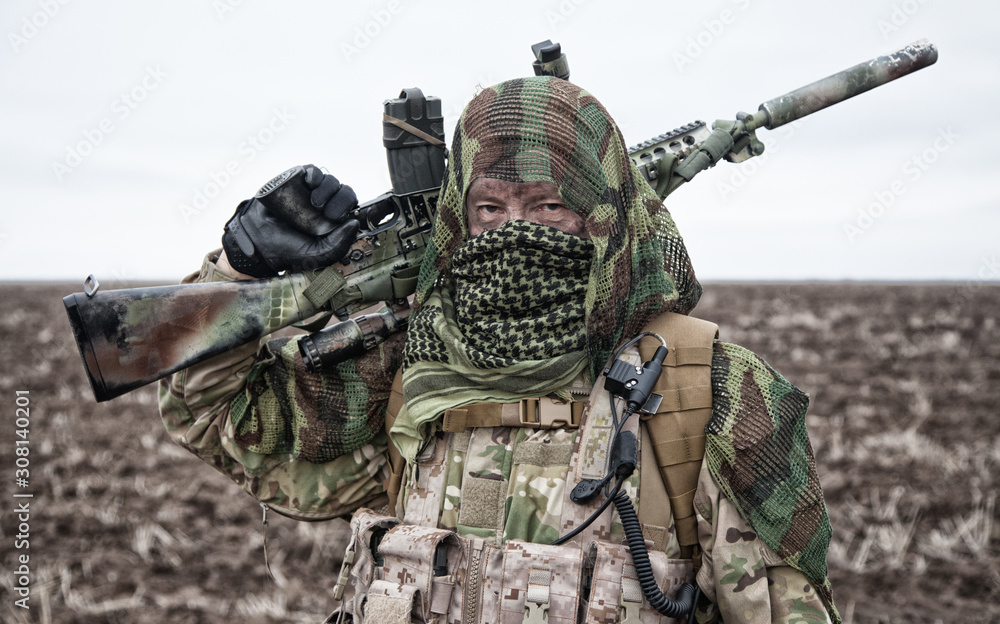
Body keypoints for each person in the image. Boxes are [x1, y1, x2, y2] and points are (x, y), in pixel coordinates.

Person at [159, 76, 839, 623]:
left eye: (548, 207)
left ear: (604, 219)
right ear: (459, 219)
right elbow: (213, 415)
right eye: (489, 209)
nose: (515, 232)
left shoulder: (707, 389)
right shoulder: (415, 374)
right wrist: (237, 272)